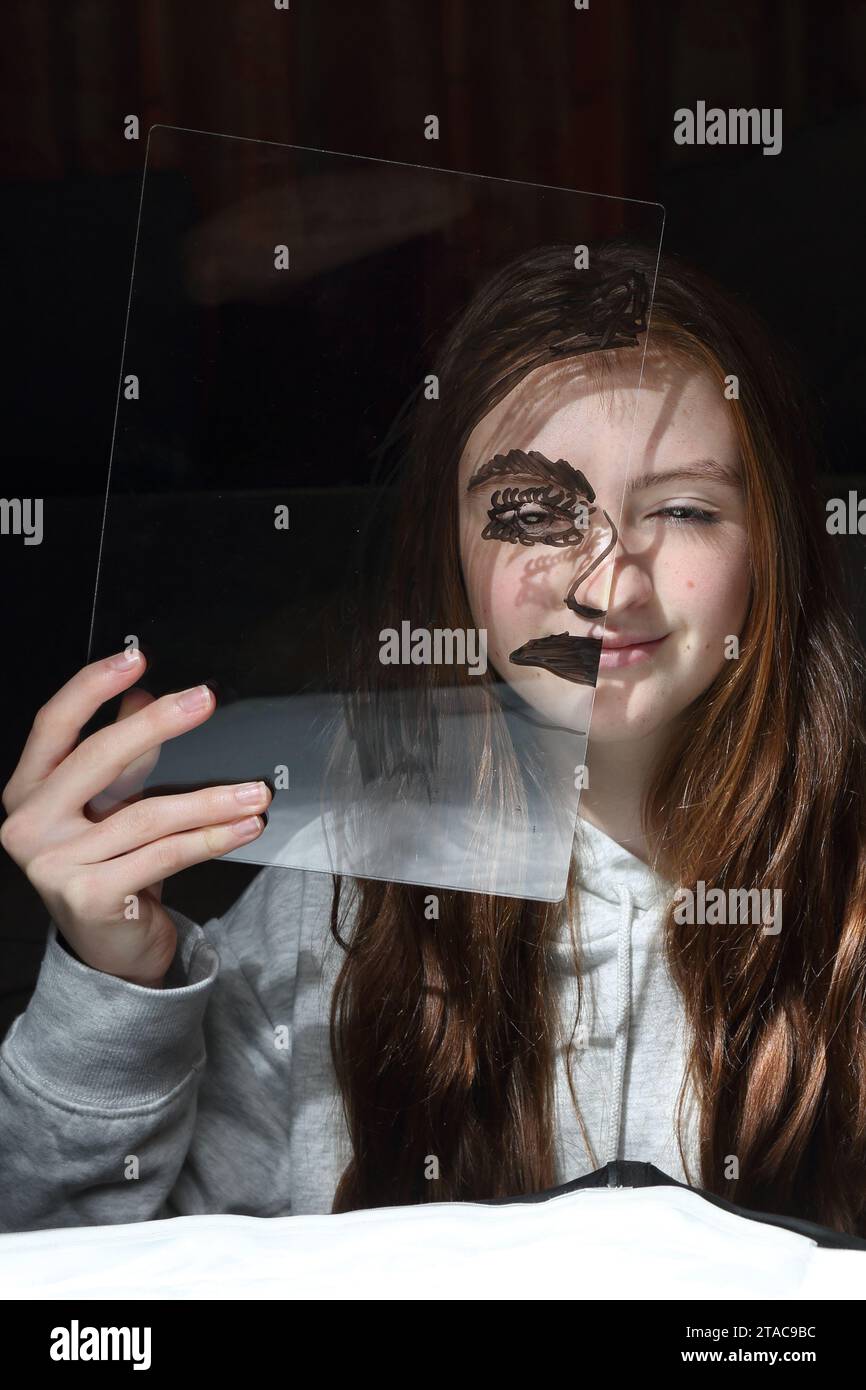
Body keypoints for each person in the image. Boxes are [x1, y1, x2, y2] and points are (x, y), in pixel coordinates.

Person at [2, 240, 865, 1235]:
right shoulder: (332, 906)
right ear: (446, 553)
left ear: (773, 543)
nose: (605, 583)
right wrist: (111, 984)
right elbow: (71, 1274)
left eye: (680, 507)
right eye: (532, 511)